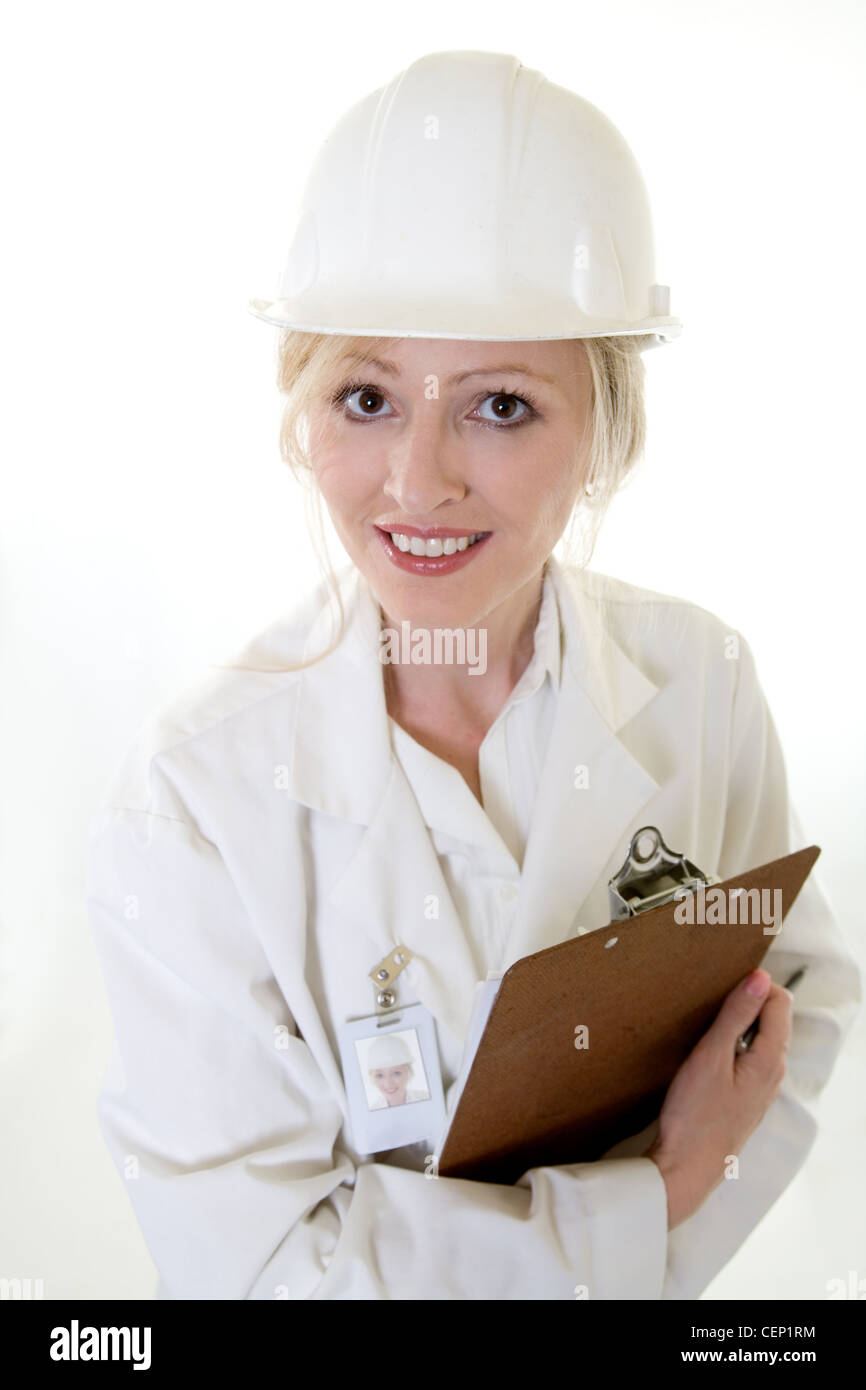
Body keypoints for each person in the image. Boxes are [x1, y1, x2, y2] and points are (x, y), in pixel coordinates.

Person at [85, 50, 860, 1301]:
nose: (417, 481)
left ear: (605, 429)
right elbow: (263, 1273)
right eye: (367, 395)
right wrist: (651, 1196)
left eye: (500, 405)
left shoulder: (698, 680)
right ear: (303, 410)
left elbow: (793, 1009)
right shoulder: (192, 800)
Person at [365, 1035, 429, 1109]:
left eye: (396, 1073)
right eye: (379, 1075)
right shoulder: (371, 1113)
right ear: (371, 1077)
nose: (388, 1083)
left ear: (408, 1072)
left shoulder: (427, 1098)